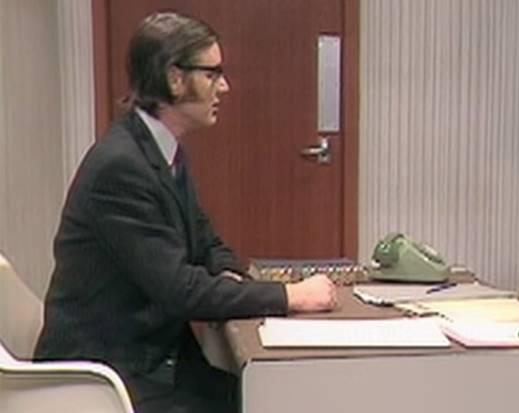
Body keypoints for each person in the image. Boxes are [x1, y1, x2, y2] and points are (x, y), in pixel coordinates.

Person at [34, 12, 336, 413]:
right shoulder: (121, 167)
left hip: (155, 358)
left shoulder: (162, 151)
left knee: (277, 395)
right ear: (175, 79)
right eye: (212, 74)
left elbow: (205, 240)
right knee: (269, 401)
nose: (224, 87)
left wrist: (228, 272)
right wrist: (290, 296)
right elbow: (179, 290)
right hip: (113, 375)